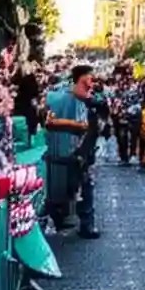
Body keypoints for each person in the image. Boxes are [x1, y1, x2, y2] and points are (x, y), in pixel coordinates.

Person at [44, 65, 100, 239]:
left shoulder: (85, 99)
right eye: (89, 79)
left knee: (74, 185)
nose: (92, 83)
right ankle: (85, 224)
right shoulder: (68, 97)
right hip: (72, 150)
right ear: (81, 78)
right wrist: (79, 126)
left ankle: (67, 217)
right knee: (83, 186)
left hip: (75, 150)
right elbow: (50, 122)